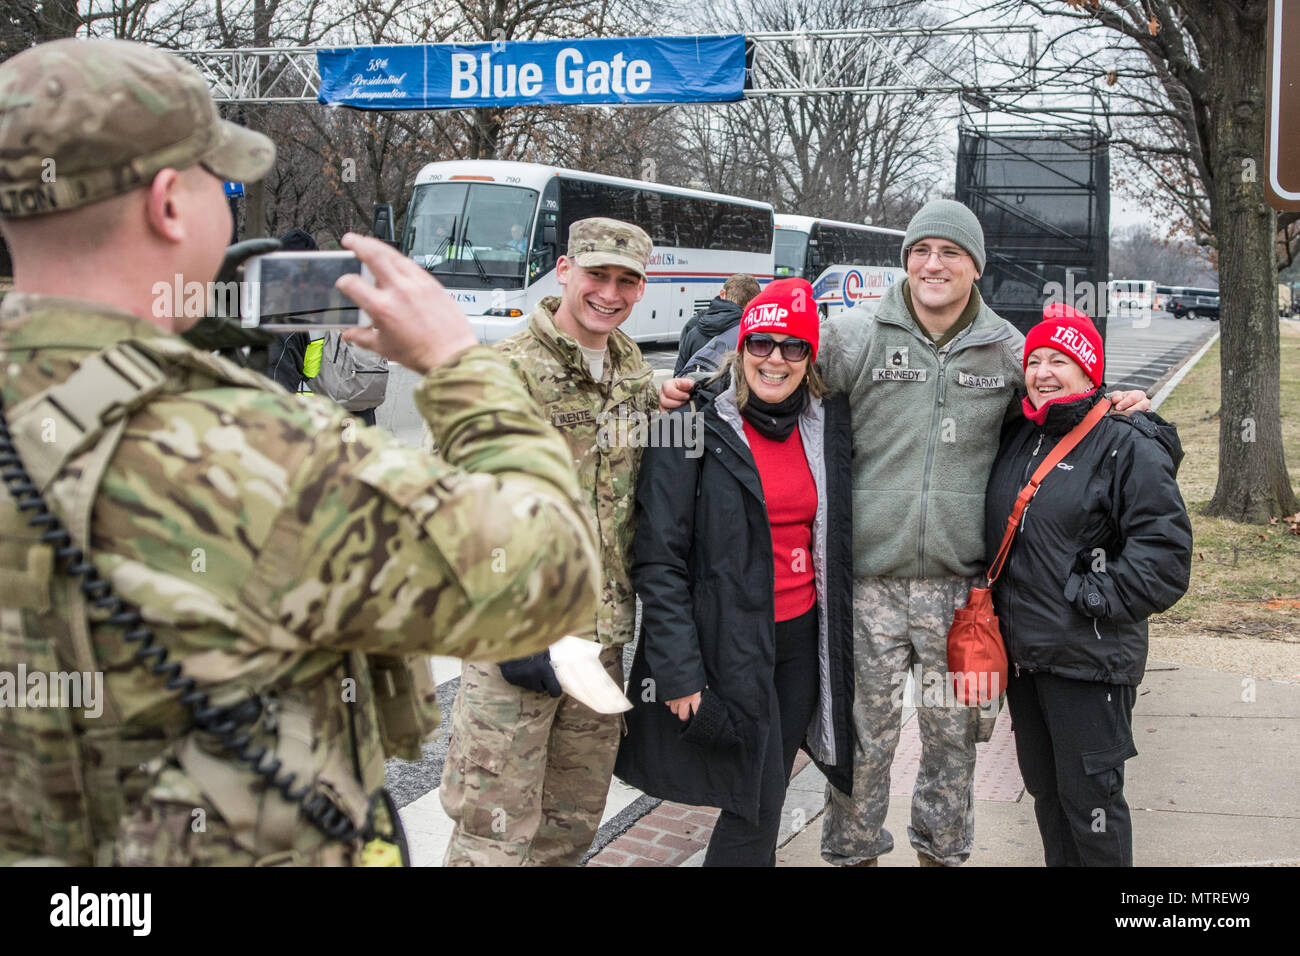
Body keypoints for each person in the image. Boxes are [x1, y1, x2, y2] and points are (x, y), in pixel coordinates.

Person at [0, 38, 600, 867]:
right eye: (224, 180)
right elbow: (554, 571)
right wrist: (460, 368)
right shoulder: (258, 452)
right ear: (170, 203)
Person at [660, 199, 1152, 866]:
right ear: (906, 260)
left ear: (975, 265)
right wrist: (687, 385)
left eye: (950, 252)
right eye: (921, 250)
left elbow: (1060, 398)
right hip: (867, 584)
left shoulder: (1006, 350)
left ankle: (940, 855)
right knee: (862, 745)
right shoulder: (859, 333)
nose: (933, 263)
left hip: (963, 595)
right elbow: (773, 357)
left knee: (953, 749)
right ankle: (852, 855)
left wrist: (1116, 401)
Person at [439, 217, 657, 866]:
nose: (609, 293)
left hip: (600, 646)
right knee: (492, 836)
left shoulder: (633, 375)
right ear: (564, 271)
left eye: (626, 281)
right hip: (518, 648)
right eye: (596, 275)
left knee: (570, 827)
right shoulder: (501, 371)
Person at [615, 278, 855, 866]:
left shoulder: (827, 425)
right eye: (762, 344)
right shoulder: (690, 422)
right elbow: (659, 558)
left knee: (762, 794)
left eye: (793, 347)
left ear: (810, 357)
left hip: (800, 641)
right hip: (728, 642)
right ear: (741, 346)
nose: (776, 359)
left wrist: (1112, 403)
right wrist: (677, 672)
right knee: (754, 798)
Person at [985, 304, 1191, 866]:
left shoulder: (1127, 444)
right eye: (1036, 360)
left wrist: (1093, 598)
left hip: (1089, 661)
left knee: (1091, 807)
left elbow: (1166, 556)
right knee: (1049, 798)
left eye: (1061, 360)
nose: (1044, 371)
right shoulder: (1020, 435)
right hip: (1028, 663)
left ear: (1090, 371)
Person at [674, 272, 762, 377]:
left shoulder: (694, 324)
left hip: (694, 390)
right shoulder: (750, 333)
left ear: (722, 294)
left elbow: (678, 374)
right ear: (754, 302)